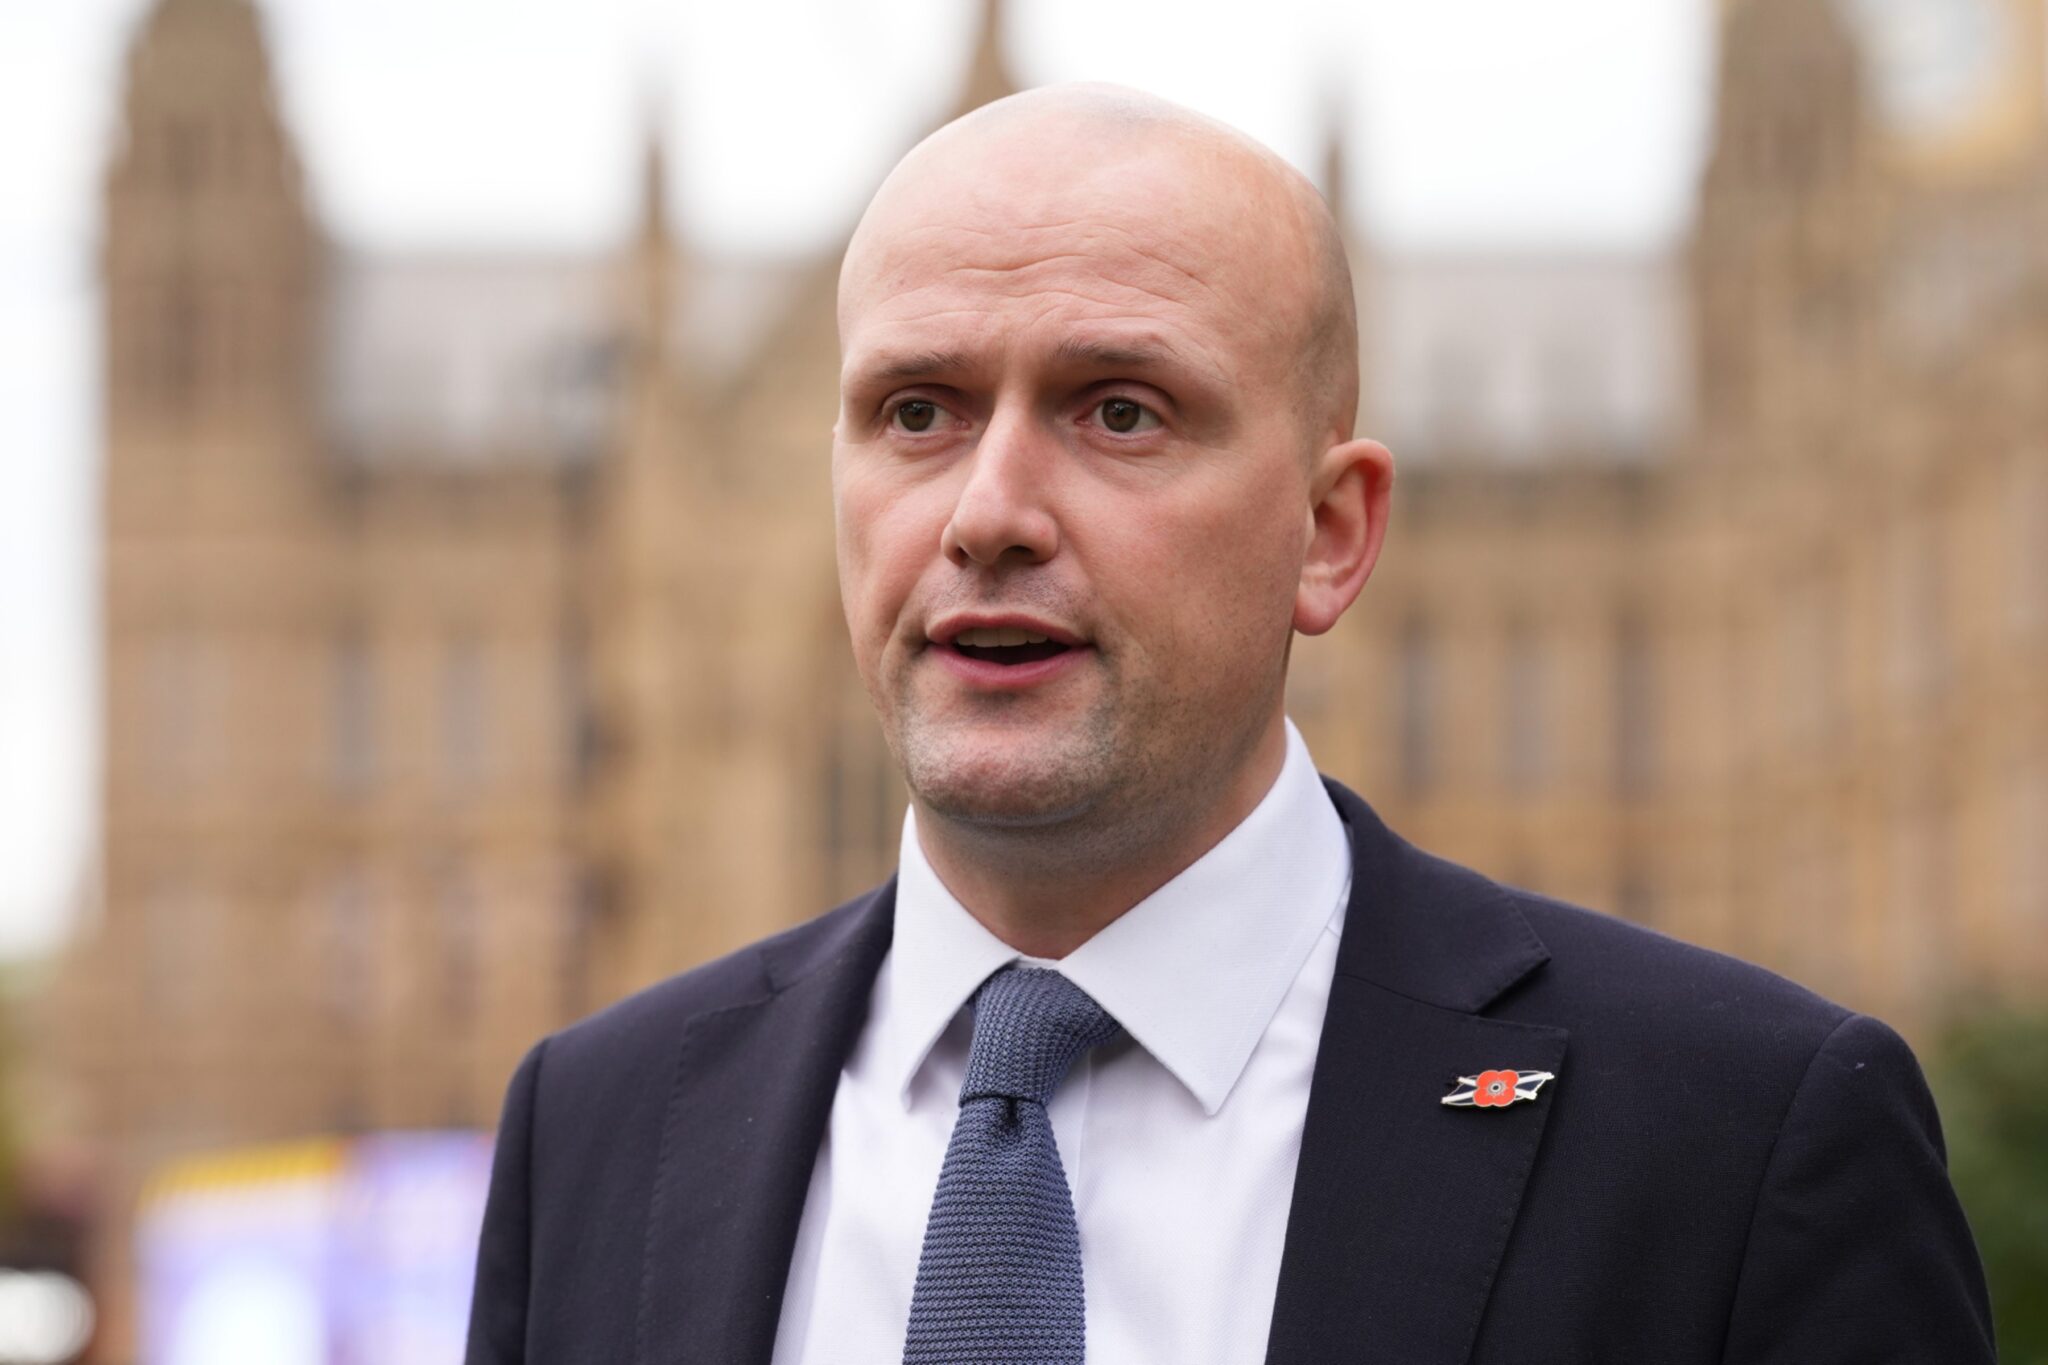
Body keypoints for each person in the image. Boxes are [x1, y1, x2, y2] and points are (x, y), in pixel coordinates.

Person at [463, 86, 1994, 1364]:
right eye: (915, 409)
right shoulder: (593, 1140)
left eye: (1120, 409)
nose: (987, 511)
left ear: (1330, 531)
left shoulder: (1742, 1141)